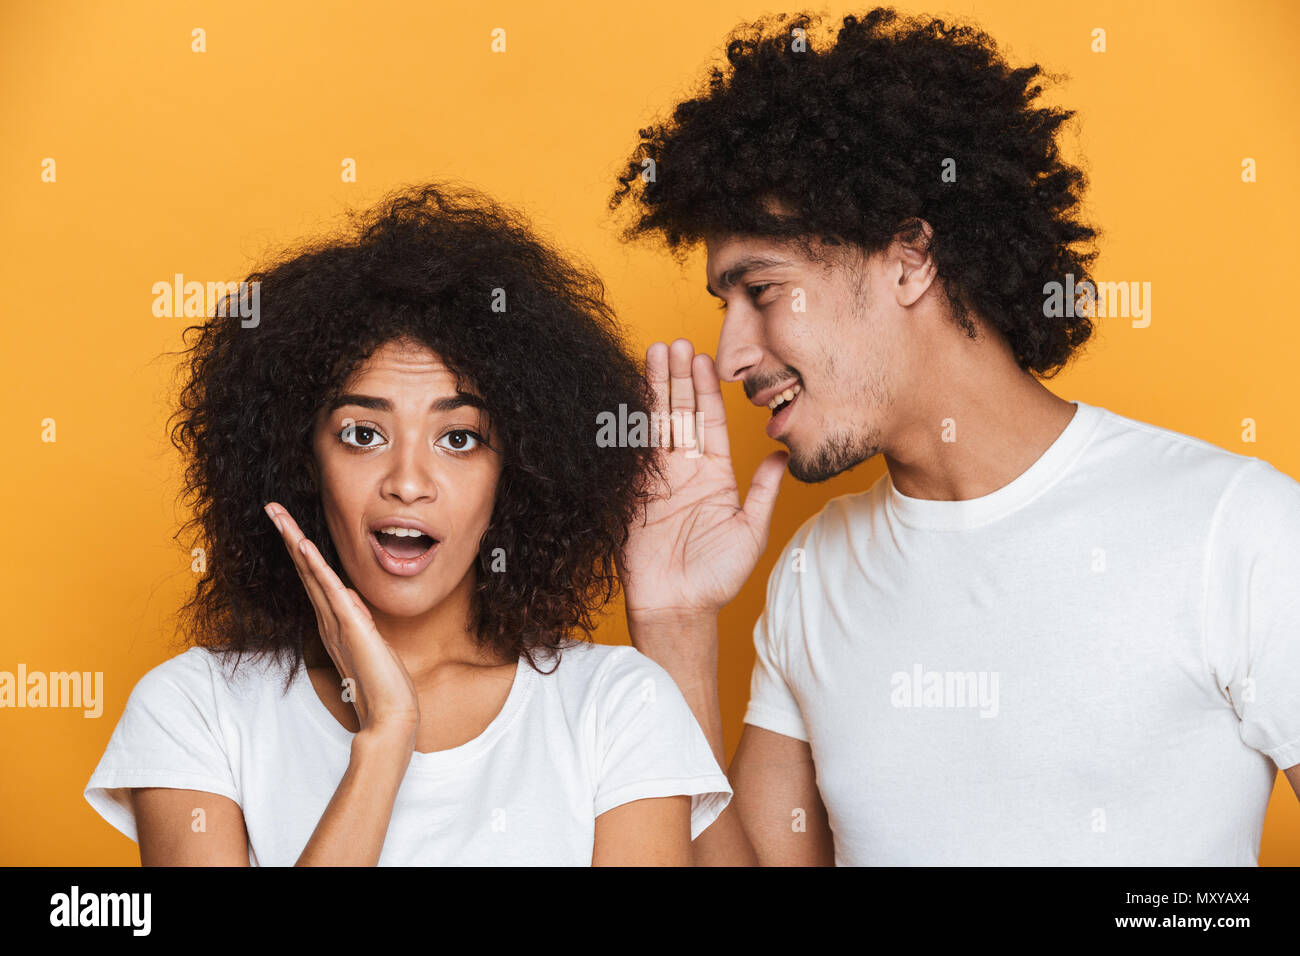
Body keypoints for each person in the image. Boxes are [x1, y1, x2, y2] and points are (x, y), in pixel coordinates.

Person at [609, 8, 1300, 864]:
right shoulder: (813, 576)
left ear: (909, 260)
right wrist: (676, 629)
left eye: (761, 289)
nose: (731, 355)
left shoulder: (1239, 528)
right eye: (724, 306)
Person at [85, 182, 731, 865]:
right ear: (299, 462)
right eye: (363, 433)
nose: (408, 482)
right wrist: (386, 736)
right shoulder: (195, 709)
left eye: (458, 438)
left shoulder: (618, 708)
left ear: (518, 473)